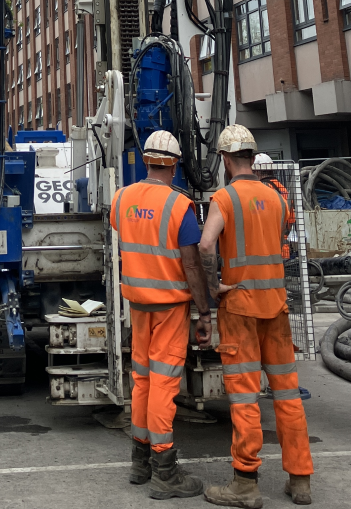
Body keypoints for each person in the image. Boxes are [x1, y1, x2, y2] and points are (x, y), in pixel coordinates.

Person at [200, 127, 314, 508]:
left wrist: (215, 285)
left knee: (245, 398)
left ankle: (245, 484)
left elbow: (205, 244)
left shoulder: (225, 197)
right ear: (252, 156)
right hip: (277, 310)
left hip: (241, 312)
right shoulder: (276, 199)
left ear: (226, 160)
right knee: (287, 396)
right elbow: (280, 238)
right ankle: (299, 481)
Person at [110, 130, 213, 500]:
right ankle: (164, 471)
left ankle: (139, 461)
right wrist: (204, 312)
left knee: (141, 380)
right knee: (164, 384)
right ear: (173, 165)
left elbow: (127, 233)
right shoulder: (179, 205)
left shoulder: (121, 199)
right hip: (170, 307)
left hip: (138, 306)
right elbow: (192, 263)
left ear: (147, 160)